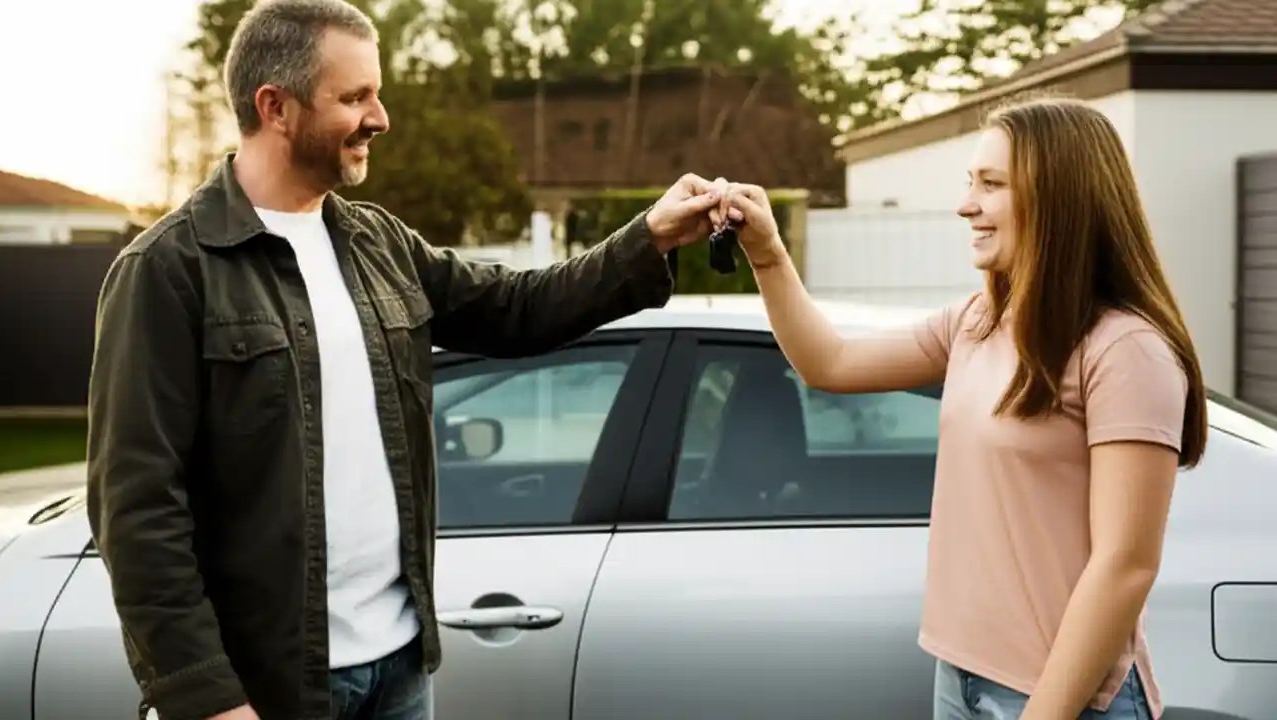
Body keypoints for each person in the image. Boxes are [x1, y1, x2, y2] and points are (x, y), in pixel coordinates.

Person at [84, 1, 723, 719]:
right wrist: (205, 698)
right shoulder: (169, 270)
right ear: (276, 107)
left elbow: (518, 307)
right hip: (271, 687)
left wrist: (649, 238)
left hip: (399, 672)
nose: (380, 117)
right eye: (355, 97)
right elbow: (136, 508)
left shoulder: (378, 244)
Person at [708, 95, 1206, 720]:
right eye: (970, 182)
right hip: (962, 674)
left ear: (1060, 200)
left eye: (991, 184)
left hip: (1060, 699)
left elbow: (1125, 566)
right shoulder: (977, 322)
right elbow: (829, 363)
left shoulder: (1126, 349)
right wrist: (768, 254)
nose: (965, 204)